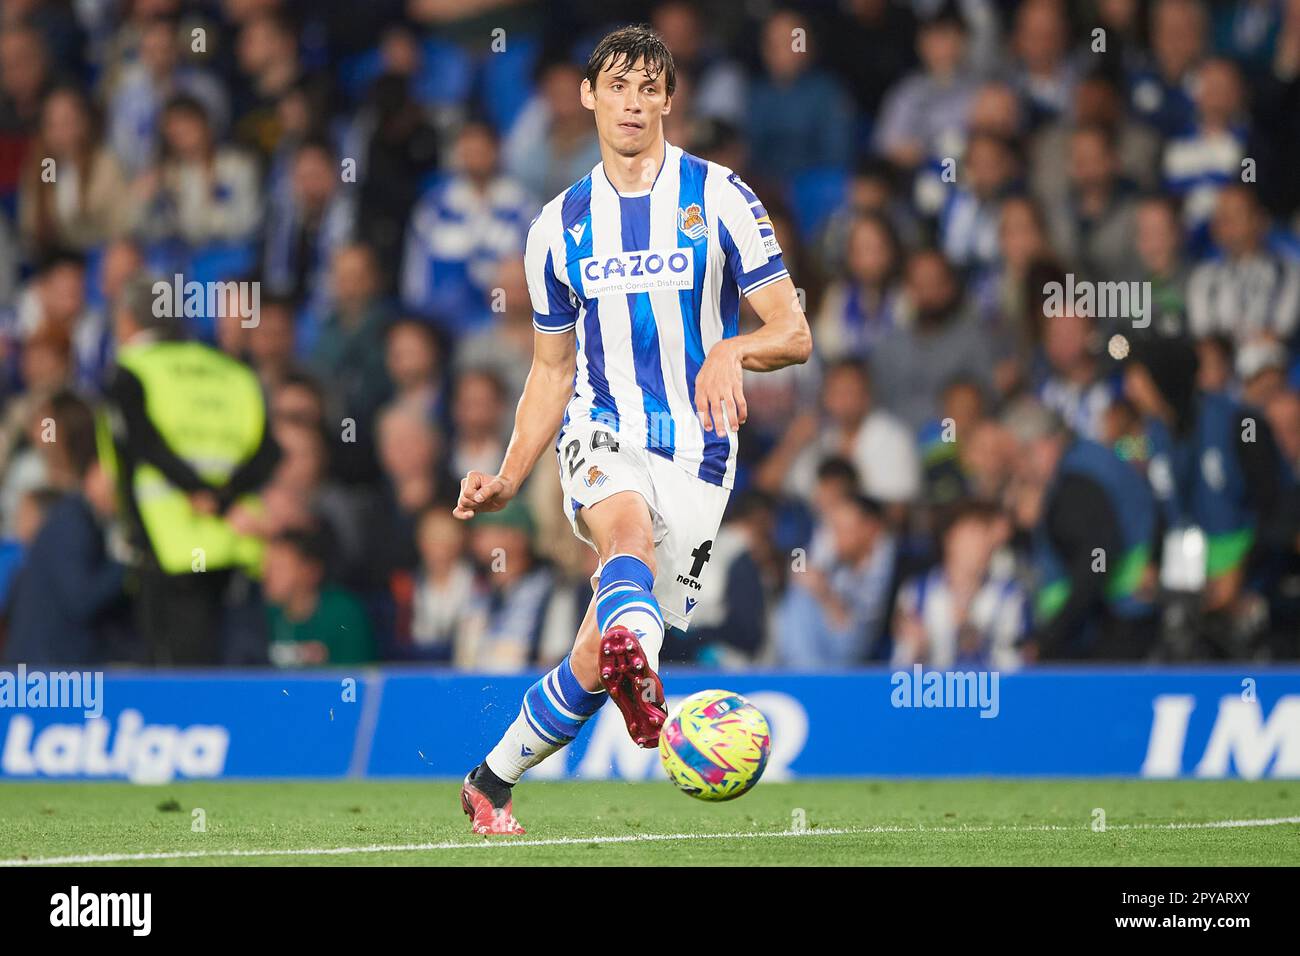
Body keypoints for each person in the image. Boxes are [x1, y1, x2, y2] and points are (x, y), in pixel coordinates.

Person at [451, 26, 811, 834]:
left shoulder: (721, 197)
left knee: (588, 657)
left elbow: (794, 332)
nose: (632, 103)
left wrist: (734, 348)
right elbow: (550, 372)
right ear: (589, 97)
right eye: (617, 86)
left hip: (700, 450)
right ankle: (642, 673)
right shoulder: (558, 225)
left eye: (649, 88)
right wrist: (510, 473)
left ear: (669, 102)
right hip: (602, 426)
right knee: (627, 538)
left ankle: (490, 780)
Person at [99, 276, 280, 665]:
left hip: (167, 546)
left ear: (128, 321)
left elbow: (144, 448)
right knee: (235, 672)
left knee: (179, 684)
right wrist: (224, 498)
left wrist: (197, 491)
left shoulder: (130, 370)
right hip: (237, 540)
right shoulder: (232, 372)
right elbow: (268, 453)